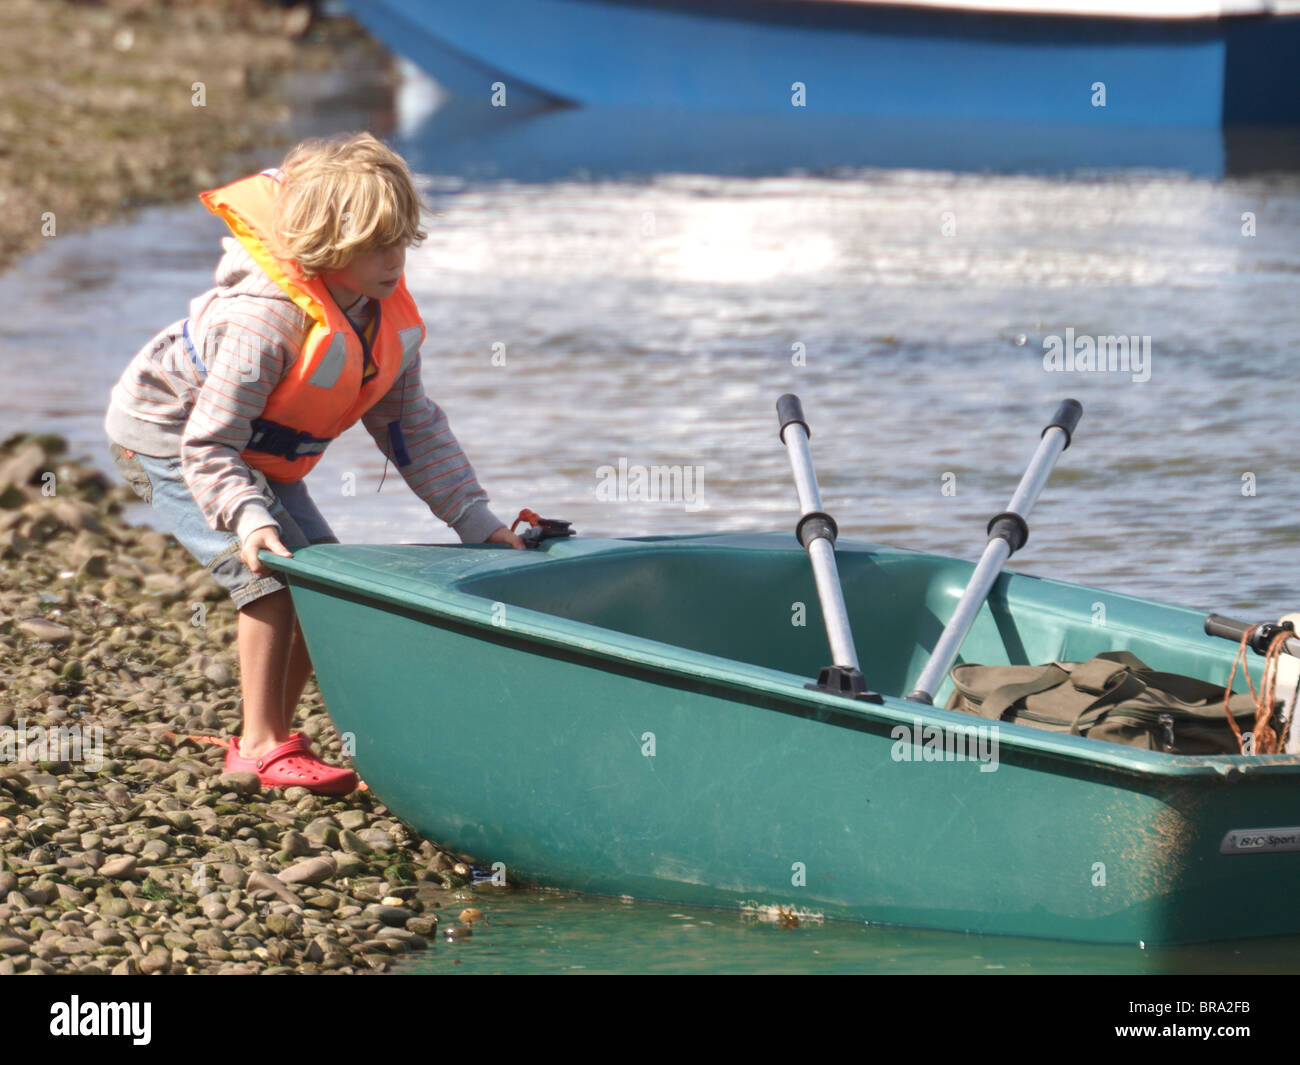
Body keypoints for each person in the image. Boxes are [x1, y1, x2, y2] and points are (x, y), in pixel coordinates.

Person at [104, 131, 523, 795]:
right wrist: (247, 518)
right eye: (375, 244)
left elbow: (412, 428)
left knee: (322, 579)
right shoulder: (267, 323)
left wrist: (476, 519)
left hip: (241, 447)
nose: (395, 259)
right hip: (168, 432)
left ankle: (269, 732)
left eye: (403, 238)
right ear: (327, 245)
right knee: (270, 580)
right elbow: (208, 443)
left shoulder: (385, 316)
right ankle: (258, 747)